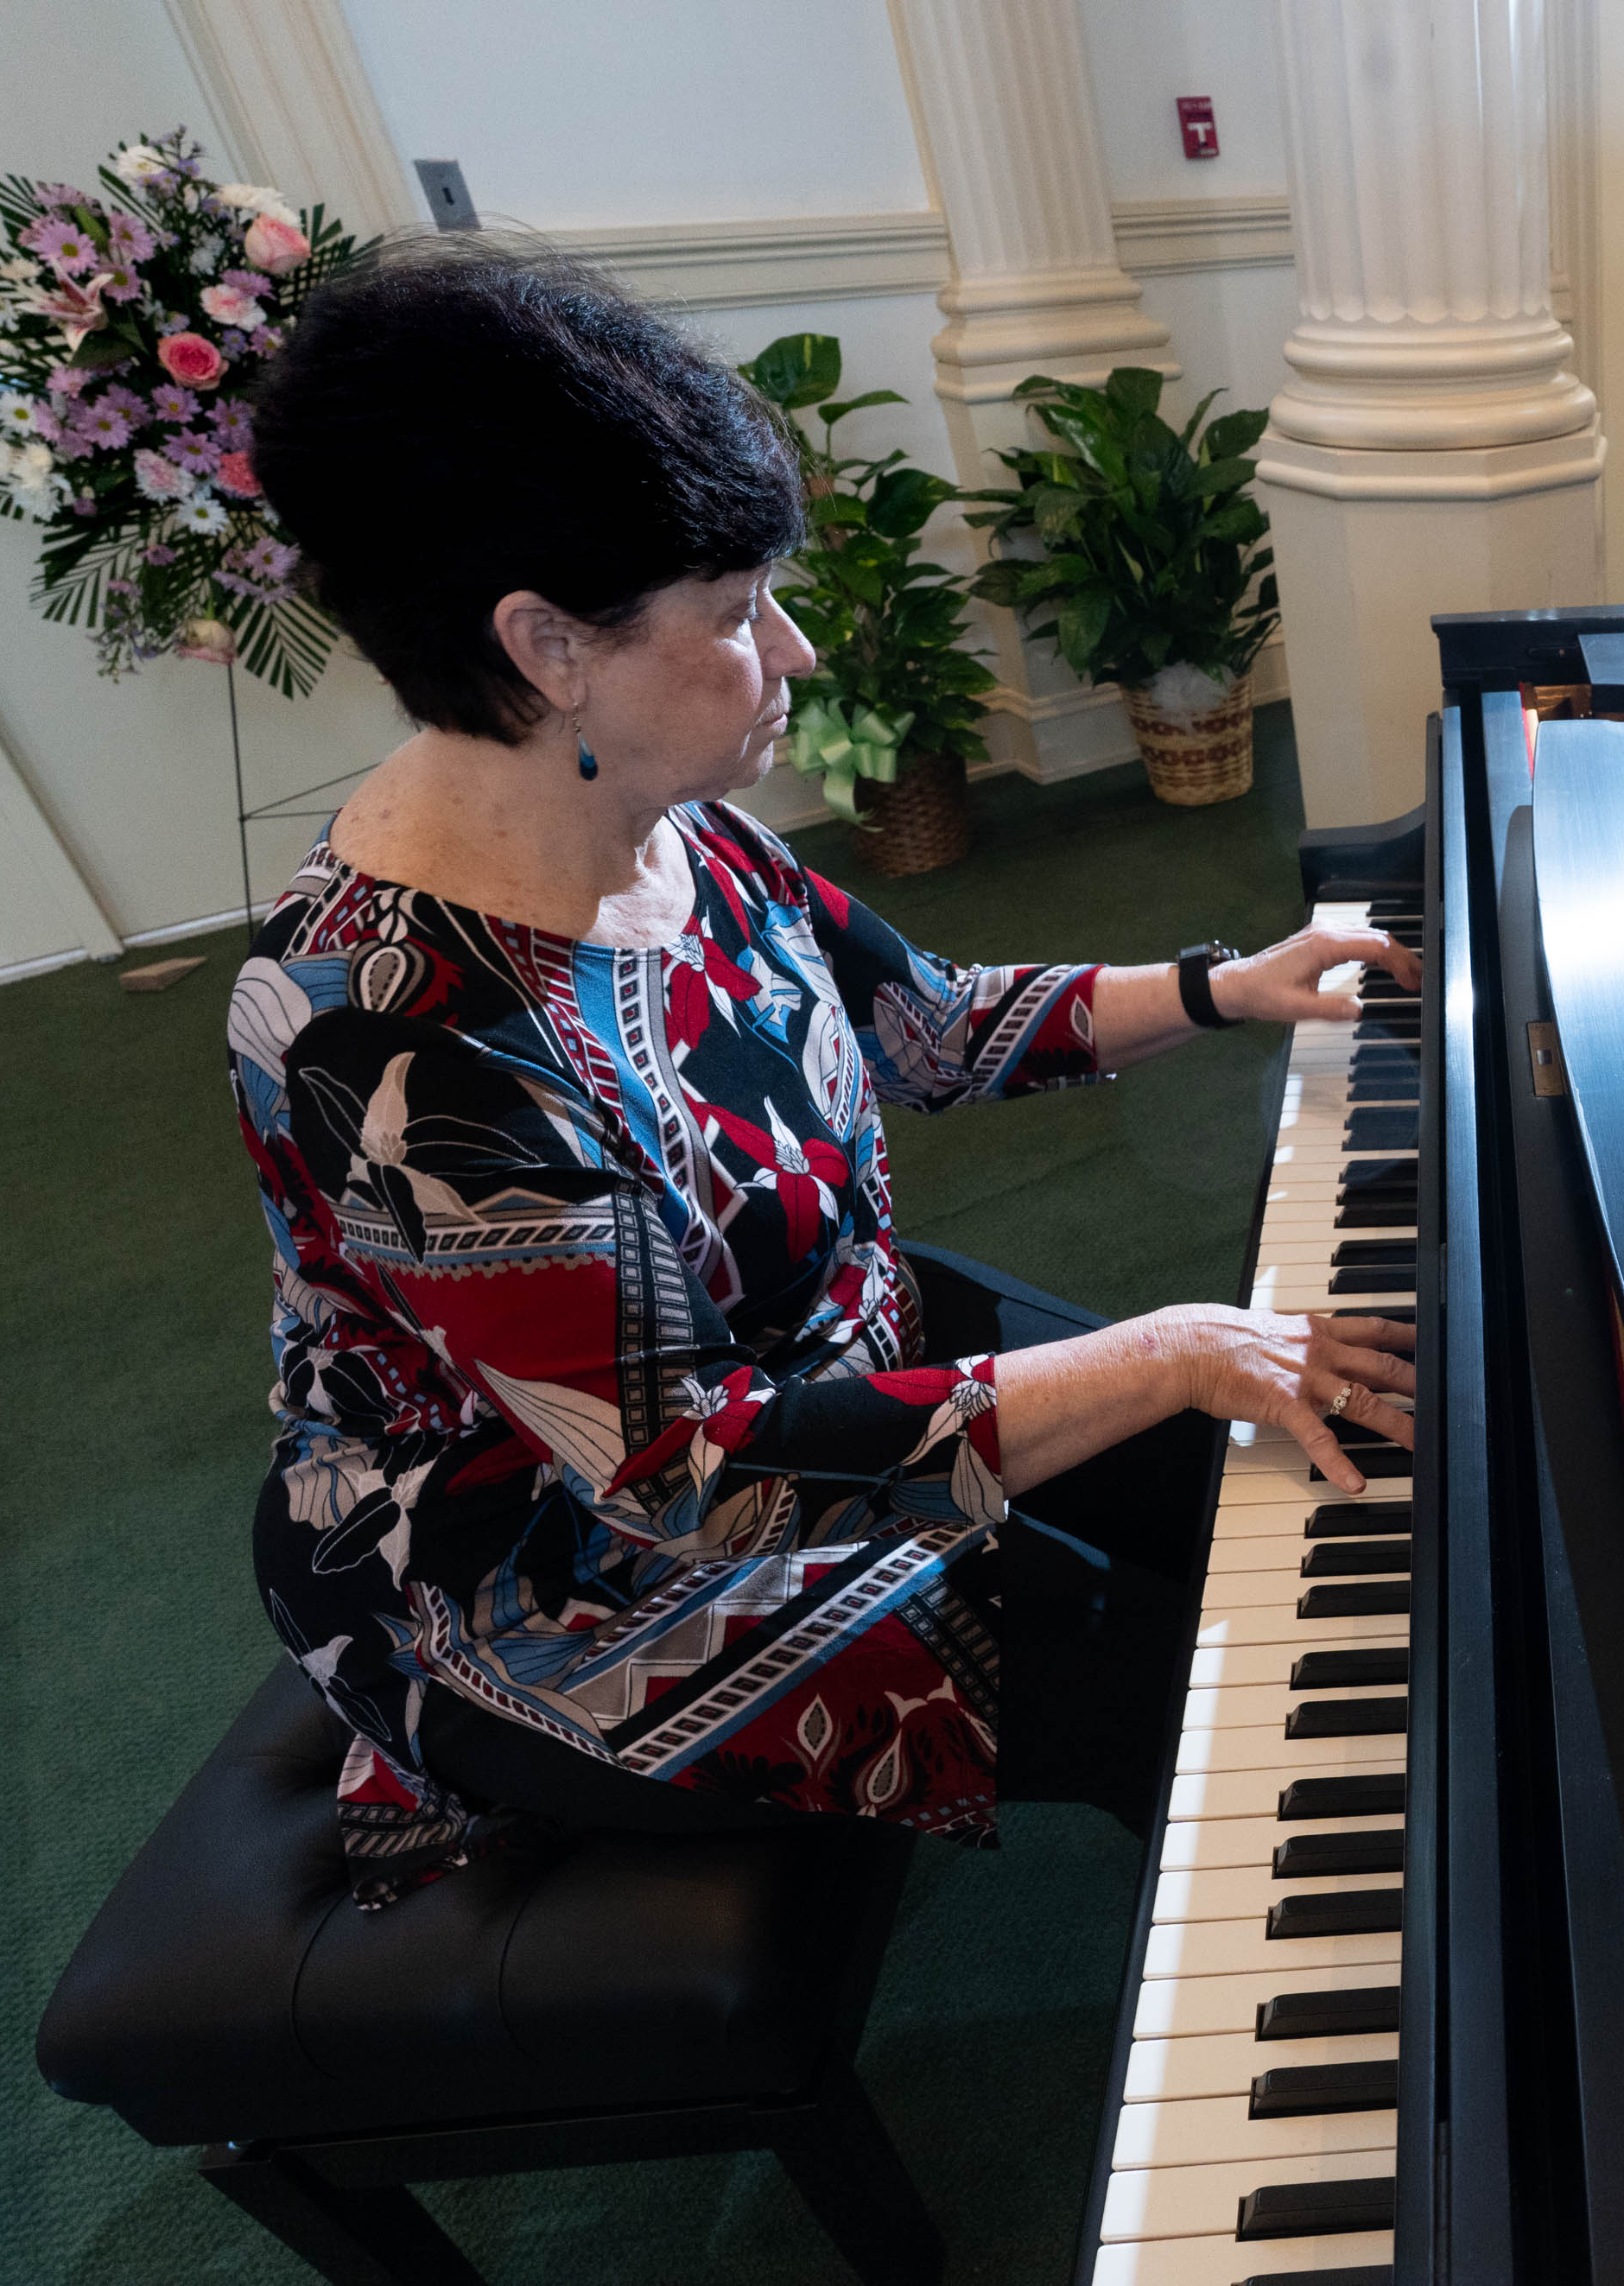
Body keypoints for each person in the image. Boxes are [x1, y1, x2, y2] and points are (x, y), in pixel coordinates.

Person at [228, 237, 1418, 1904]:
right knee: (1197, 1685)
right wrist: (1165, 1349)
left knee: (1299, 1446)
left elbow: (922, 1022)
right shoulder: (402, 1039)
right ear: (548, 644)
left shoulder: (662, 824)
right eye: (734, 613)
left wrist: (1228, 985)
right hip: (581, 1569)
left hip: (807, 1355)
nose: (789, 654)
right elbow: (689, 1483)